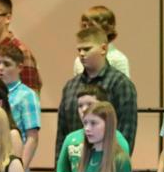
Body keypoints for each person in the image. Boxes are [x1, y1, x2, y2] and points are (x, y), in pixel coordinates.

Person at [55, 26, 137, 155]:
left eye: (87, 49)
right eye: (79, 50)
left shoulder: (121, 85)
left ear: (103, 49)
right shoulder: (70, 86)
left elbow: (126, 133)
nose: (82, 54)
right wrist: (60, 171)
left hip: (106, 165)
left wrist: (117, 166)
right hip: (73, 166)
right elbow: (62, 134)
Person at [54, 101, 131, 172]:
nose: (87, 128)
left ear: (108, 125)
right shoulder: (85, 157)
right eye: (85, 123)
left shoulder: (120, 160)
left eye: (93, 123)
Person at [0, 44, 42, 168]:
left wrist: (21, 167)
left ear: (20, 67)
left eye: (6, 64)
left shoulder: (27, 95)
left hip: (13, 161)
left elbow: (32, 137)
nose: (0, 68)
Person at [72, 6, 130, 77]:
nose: (87, 30)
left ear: (107, 29)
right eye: (84, 25)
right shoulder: (79, 61)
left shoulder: (118, 59)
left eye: (92, 25)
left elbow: (123, 87)